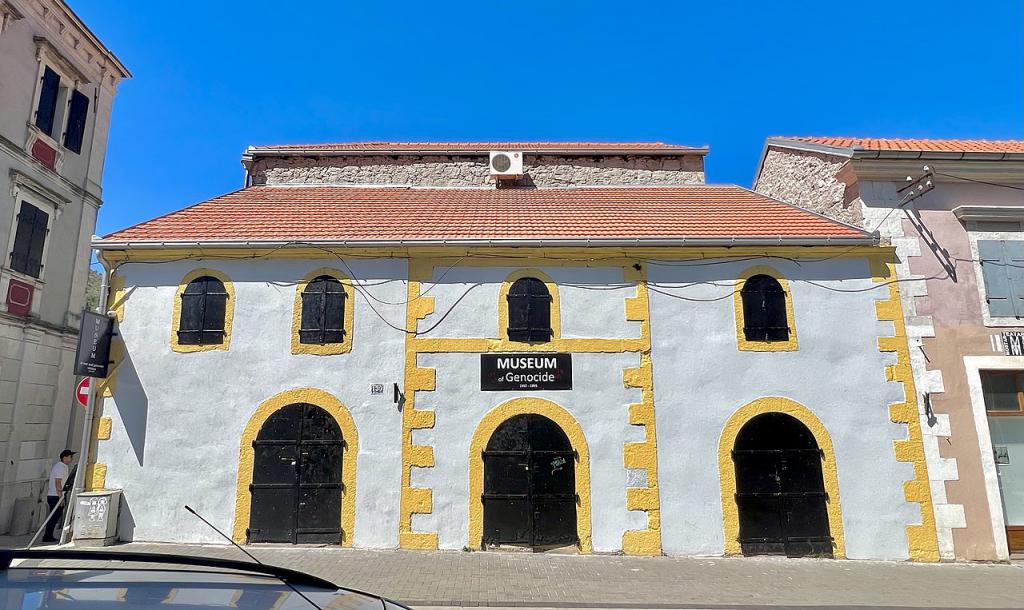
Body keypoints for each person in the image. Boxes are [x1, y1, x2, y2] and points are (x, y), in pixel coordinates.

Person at [43, 449, 75, 543]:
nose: (71, 458)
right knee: (54, 516)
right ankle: (47, 536)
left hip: (57, 495)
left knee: (55, 516)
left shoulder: (63, 467)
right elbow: (58, 483)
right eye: (70, 456)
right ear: (64, 458)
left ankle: (49, 535)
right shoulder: (60, 467)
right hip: (55, 496)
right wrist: (61, 498)